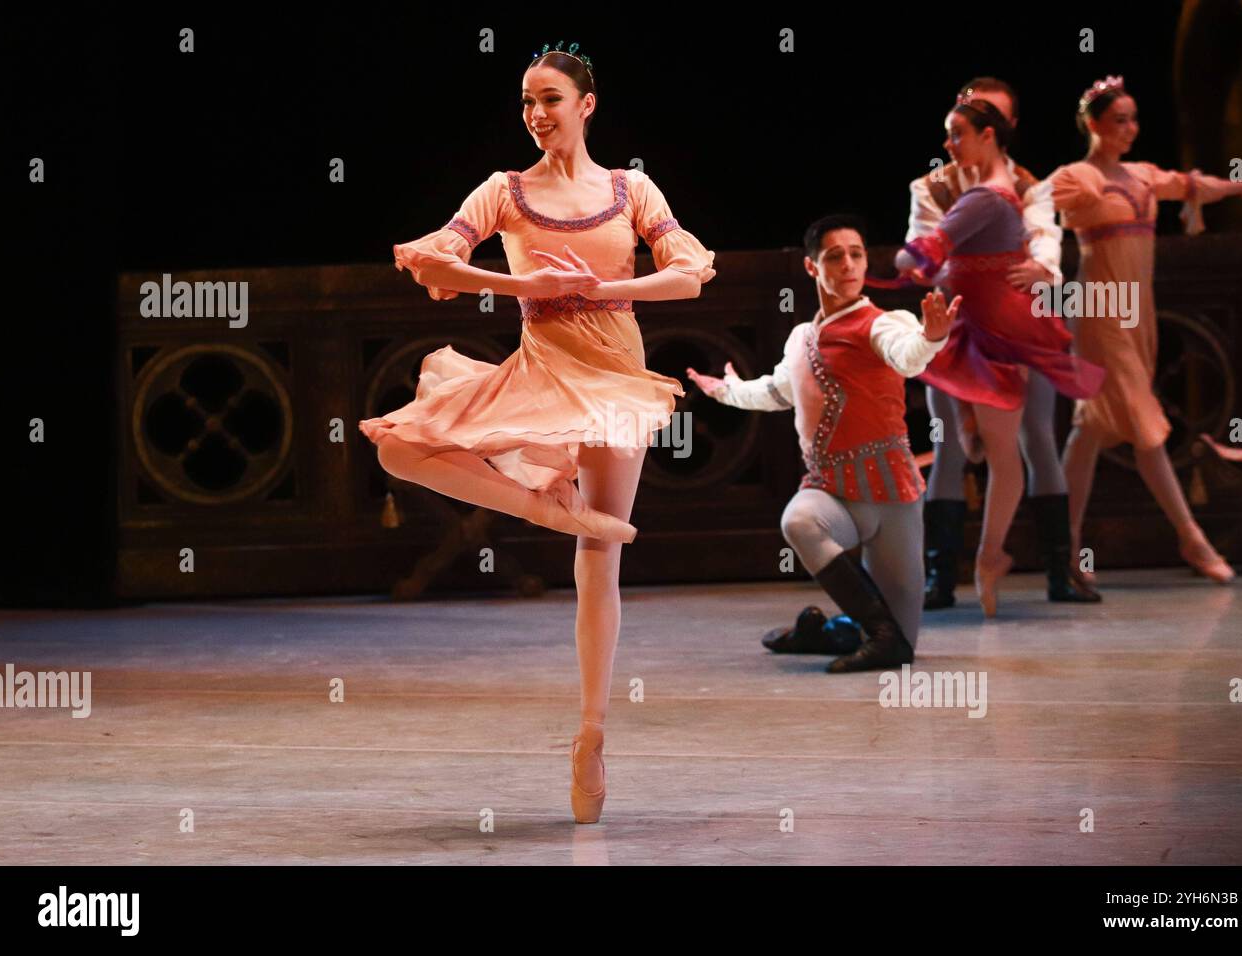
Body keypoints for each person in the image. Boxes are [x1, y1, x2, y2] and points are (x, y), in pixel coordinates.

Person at [358, 43, 716, 823]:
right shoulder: (505, 191)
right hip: (541, 372)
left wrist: (600, 285)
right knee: (397, 444)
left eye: (550, 98)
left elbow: (688, 271)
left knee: (601, 555)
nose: (536, 114)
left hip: (616, 377)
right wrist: (527, 284)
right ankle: (548, 508)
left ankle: (590, 734)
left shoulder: (631, 189)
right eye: (526, 101)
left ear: (587, 105)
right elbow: (433, 263)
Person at [687, 215, 953, 671]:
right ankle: (874, 634)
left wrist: (932, 335)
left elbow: (907, 356)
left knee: (907, 640)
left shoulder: (882, 324)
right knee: (801, 521)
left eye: (857, 254)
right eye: (835, 256)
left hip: (891, 499)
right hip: (832, 494)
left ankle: (825, 630)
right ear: (813, 267)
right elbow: (775, 392)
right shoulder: (801, 339)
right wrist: (723, 390)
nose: (849, 264)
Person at [1049, 76, 1242, 585]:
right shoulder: (1077, 178)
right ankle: (1191, 536)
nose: (1130, 129)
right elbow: (1037, 206)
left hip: (1138, 314)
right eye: (1119, 120)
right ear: (1094, 124)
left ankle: (1065, 543)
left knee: (1091, 430)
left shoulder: (1143, 176)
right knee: (1143, 420)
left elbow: (1192, 185)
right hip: (1100, 308)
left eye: (1134, 119)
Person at [895, 93, 1106, 616]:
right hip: (956, 325)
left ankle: (1057, 568)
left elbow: (1044, 241)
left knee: (1036, 434)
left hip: (1013, 322)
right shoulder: (934, 185)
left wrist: (1043, 271)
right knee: (947, 444)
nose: (954, 139)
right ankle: (941, 575)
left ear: (1001, 126)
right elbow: (920, 244)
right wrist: (941, 270)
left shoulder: (1030, 184)